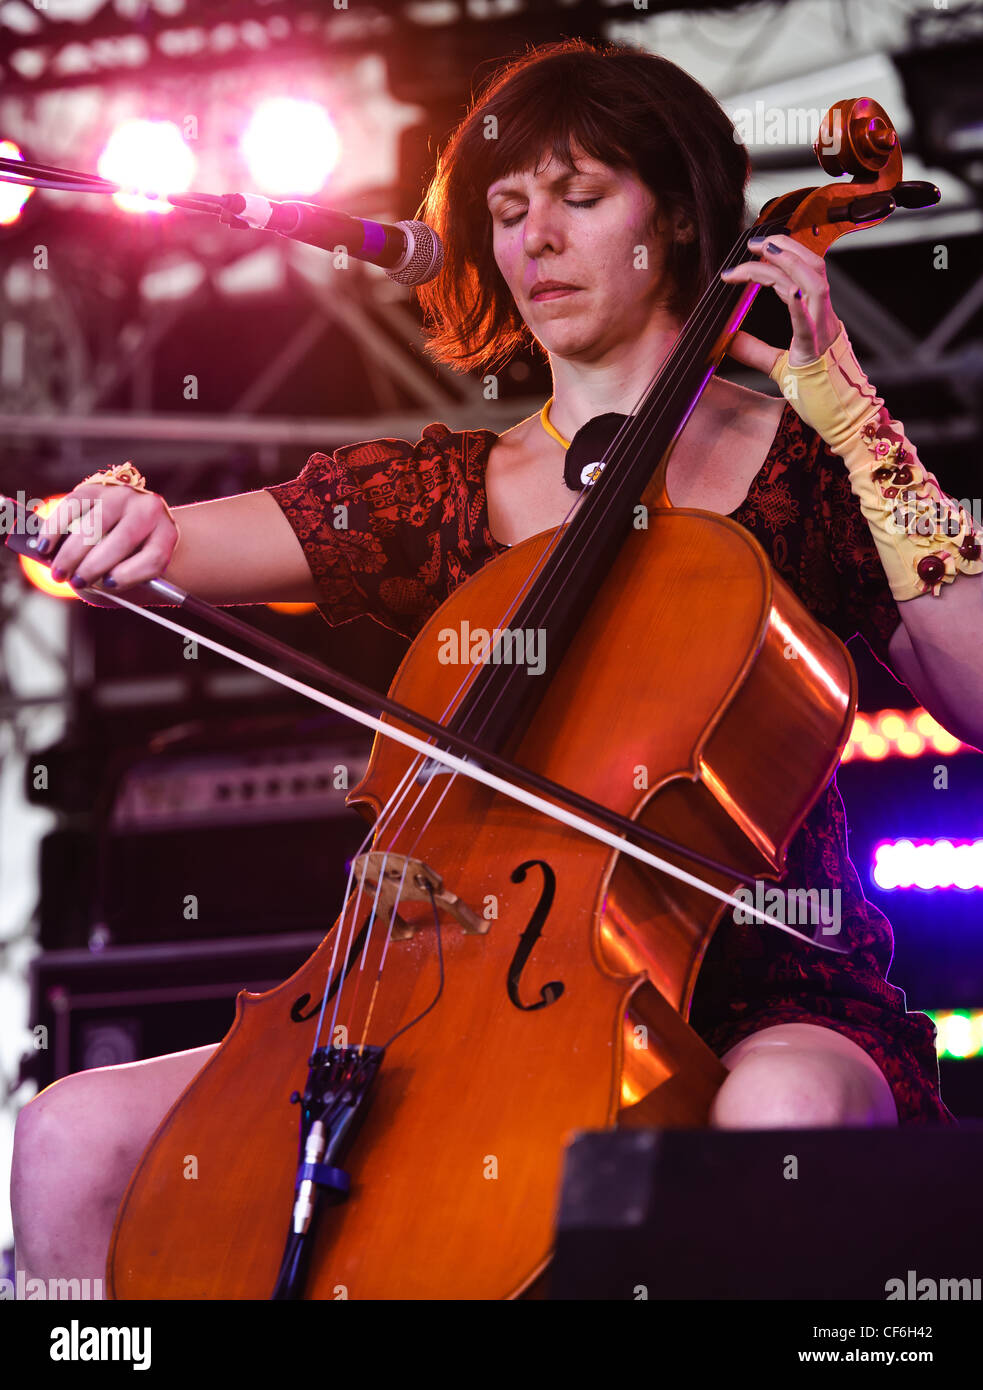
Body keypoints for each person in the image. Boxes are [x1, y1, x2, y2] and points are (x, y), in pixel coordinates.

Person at [11, 38, 983, 1294]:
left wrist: (852, 416)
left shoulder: (806, 473)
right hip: (427, 992)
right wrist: (110, 524)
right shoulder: (439, 490)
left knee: (777, 1111)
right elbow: (173, 545)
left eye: (579, 200)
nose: (533, 241)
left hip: (751, 988)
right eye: (508, 211)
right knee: (69, 1135)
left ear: (678, 217)